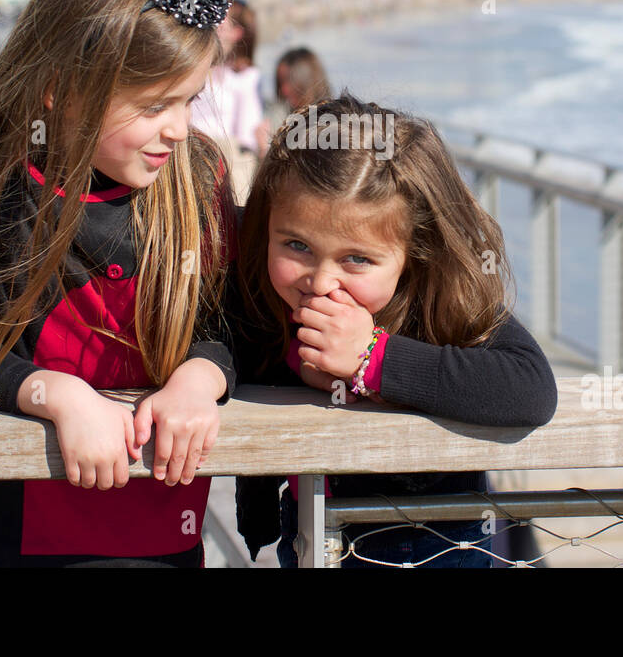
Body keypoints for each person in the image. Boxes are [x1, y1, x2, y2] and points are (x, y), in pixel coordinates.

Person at [0, 0, 241, 567]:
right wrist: (60, 395)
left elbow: (228, 323)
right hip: (18, 526)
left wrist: (198, 379)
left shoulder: (196, 176)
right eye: (155, 105)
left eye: (189, 100)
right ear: (61, 91)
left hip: (163, 520)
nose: (180, 129)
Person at [233, 92, 558, 568]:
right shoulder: (266, 302)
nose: (321, 282)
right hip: (308, 535)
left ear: (416, 252)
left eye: (356, 259)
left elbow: (530, 388)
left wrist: (373, 358)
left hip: (434, 541)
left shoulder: (440, 308)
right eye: (297, 245)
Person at [190, 0, 266, 204]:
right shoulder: (199, 66)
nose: (213, 24)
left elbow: (247, 134)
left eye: (220, 21)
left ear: (237, 32)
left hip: (225, 159)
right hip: (188, 150)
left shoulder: (246, 76)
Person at [264, 47, 332, 134]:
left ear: (308, 82)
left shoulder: (329, 122)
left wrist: (265, 147)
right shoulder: (284, 117)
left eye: (291, 82)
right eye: (280, 83)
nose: (284, 90)